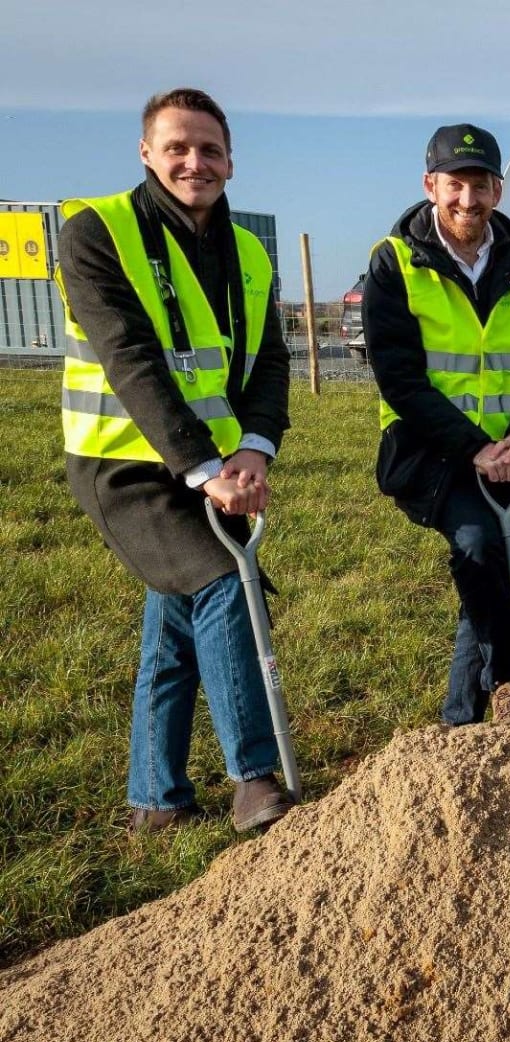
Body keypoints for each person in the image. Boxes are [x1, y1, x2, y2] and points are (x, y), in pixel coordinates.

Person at [55, 88, 294, 833]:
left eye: (210, 149)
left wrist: (254, 446)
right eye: (178, 147)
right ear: (146, 153)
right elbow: (130, 360)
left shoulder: (248, 251)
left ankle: (155, 800)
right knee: (224, 579)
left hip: (216, 459)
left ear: (231, 159)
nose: (196, 161)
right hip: (122, 461)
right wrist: (204, 469)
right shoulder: (96, 231)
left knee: (178, 613)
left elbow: (270, 360)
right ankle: (255, 780)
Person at [365, 124, 510, 726]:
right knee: (478, 546)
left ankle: (459, 723)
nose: (467, 201)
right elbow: (400, 379)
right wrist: (474, 448)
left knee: (488, 563)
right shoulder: (394, 262)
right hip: (429, 452)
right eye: (455, 185)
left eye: (480, 186)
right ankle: (509, 683)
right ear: (430, 186)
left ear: (499, 189)